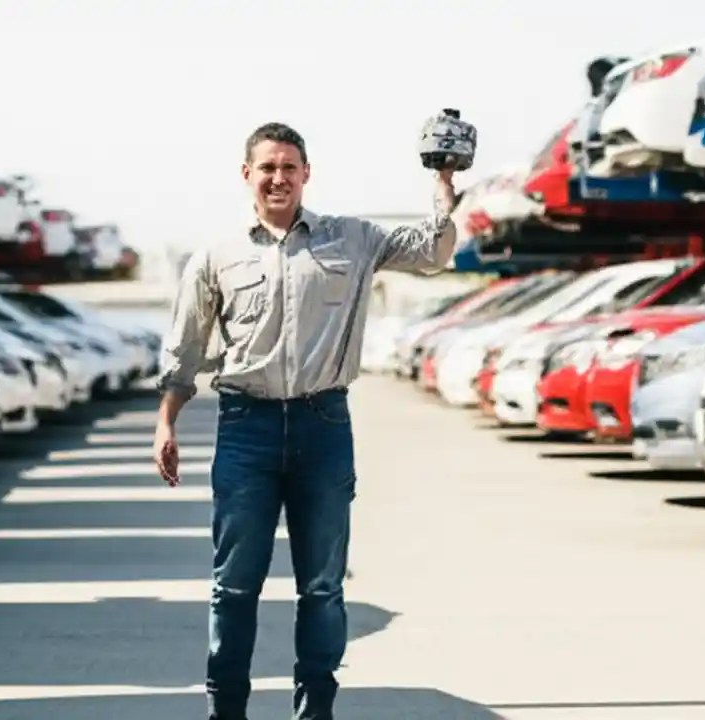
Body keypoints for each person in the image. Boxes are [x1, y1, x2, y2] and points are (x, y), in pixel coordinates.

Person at [153, 121, 461, 720]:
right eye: (267, 167)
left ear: (306, 175)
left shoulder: (352, 238)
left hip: (324, 426)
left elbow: (432, 252)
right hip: (246, 428)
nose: (278, 178)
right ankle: (227, 709)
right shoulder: (217, 255)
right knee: (235, 586)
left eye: (289, 167)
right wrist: (166, 424)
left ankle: (315, 710)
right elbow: (184, 350)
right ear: (247, 175)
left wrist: (443, 188)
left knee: (322, 585)